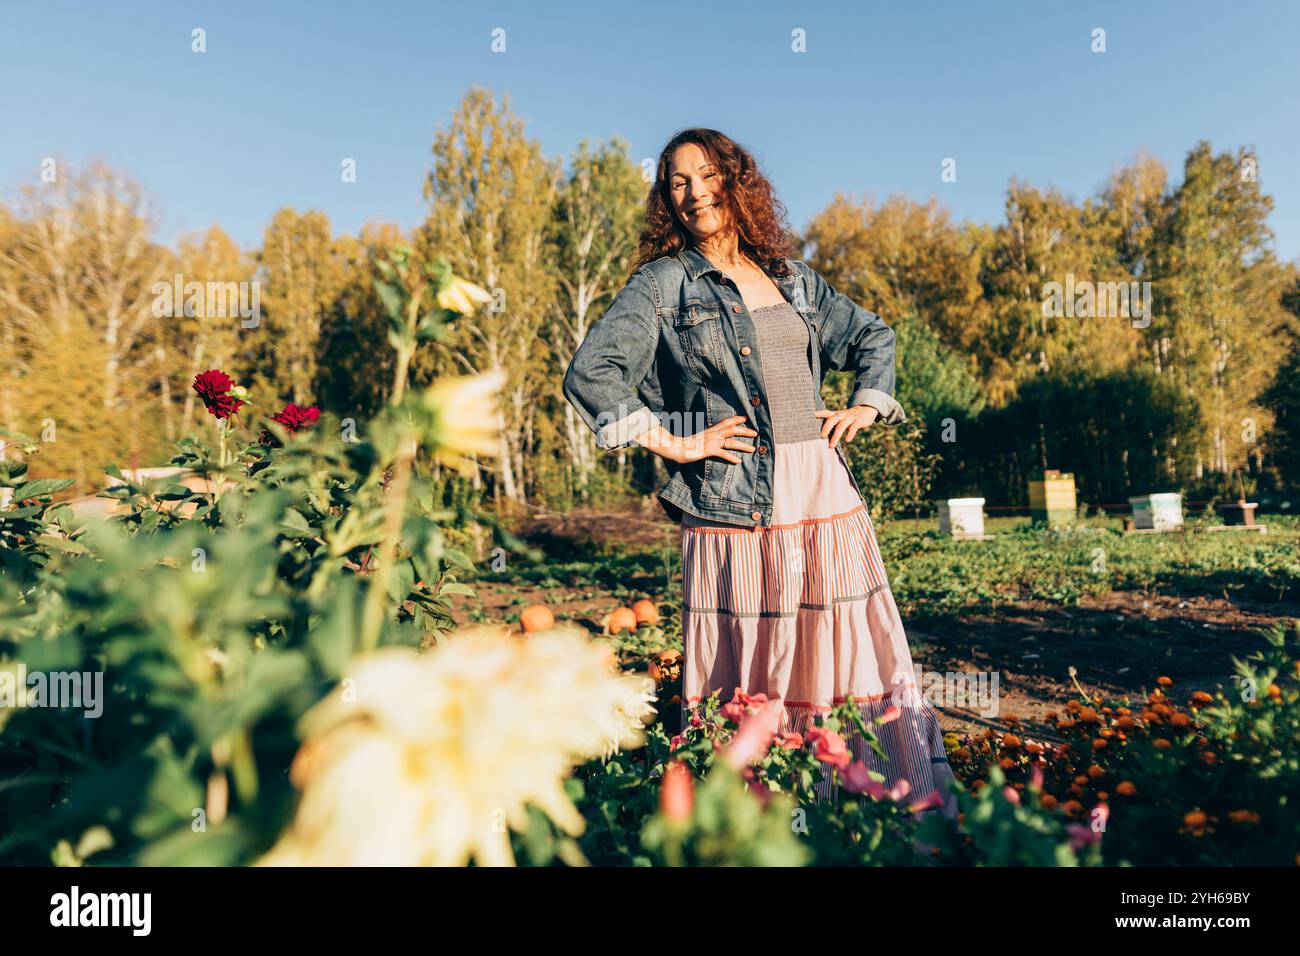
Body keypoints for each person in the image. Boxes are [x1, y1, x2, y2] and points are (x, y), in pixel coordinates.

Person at [563, 127, 956, 816]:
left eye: (706, 173)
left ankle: (862, 811)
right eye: (676, 181)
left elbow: (872, 336)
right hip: (737, 503)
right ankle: (761, 824)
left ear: (735, 180)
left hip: (825, 494)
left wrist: (866, 404)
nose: (692, 192)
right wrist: (677, 443)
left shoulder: (792, 278)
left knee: (851, 661)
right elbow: (591, 373)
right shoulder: (662, 284)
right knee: (755, 674)